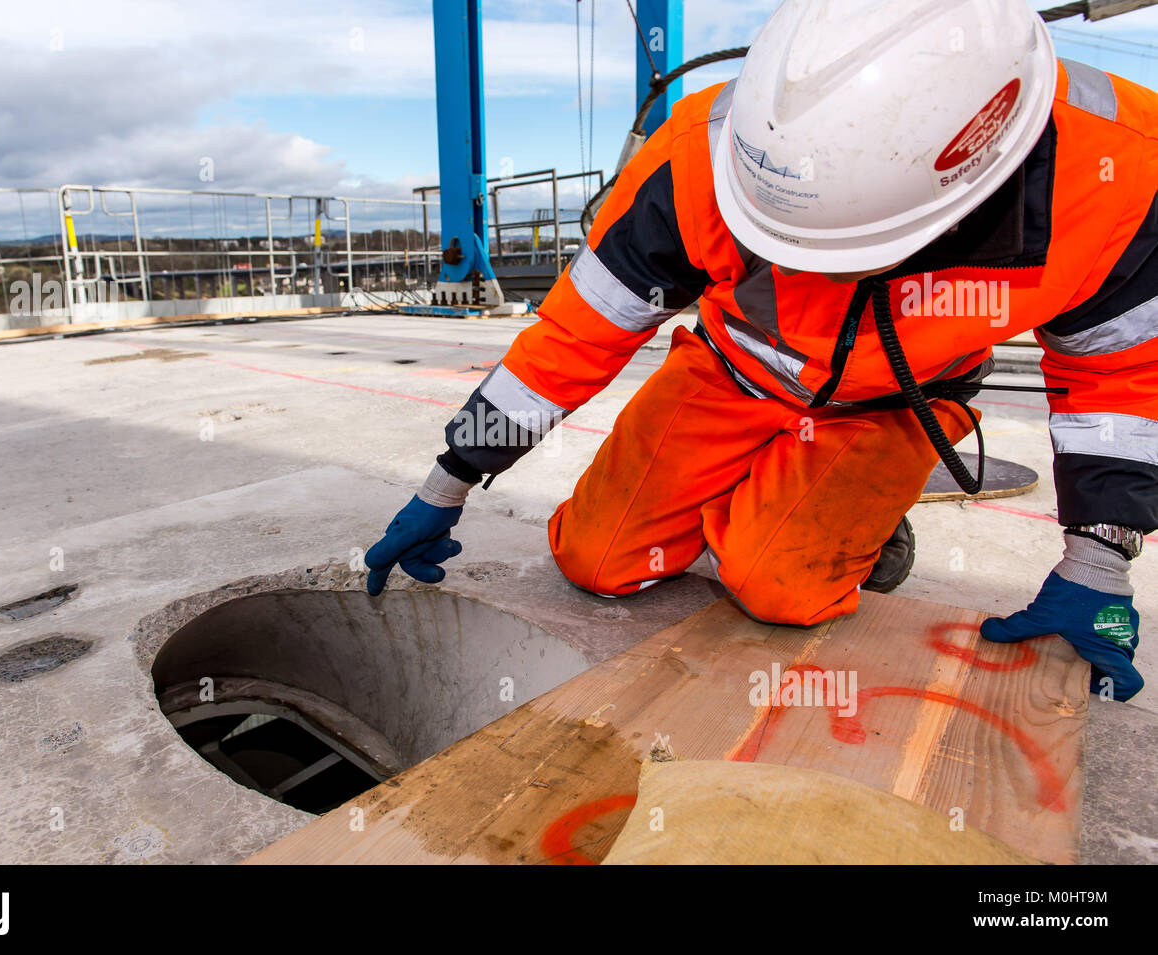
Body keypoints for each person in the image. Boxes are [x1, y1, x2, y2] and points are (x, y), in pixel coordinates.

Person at [366, 0, 1155, 702]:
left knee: (777, 587)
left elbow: (1121, 379)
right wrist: (453, 475)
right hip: (731, 371)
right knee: (597, 558)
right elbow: (579, 332)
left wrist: (1100, 560)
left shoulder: (1119, 175)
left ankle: (844, 519)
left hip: (887, 405)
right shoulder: (701, 156)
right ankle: (757, 495)